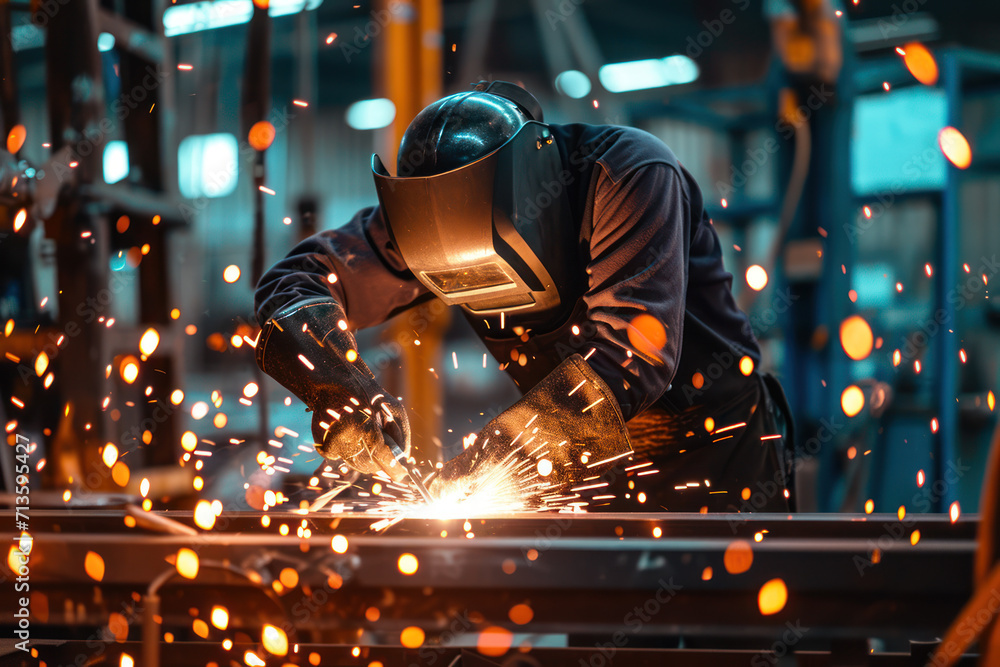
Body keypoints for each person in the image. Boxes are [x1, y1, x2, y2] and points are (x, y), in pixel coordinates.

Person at [254, 81, 794, 512]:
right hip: (585, 469)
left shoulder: (626, 174)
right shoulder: (426, 213)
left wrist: (494, 462)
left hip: (719, 449)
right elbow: (295, 283)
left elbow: (635, 355)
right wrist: (338, 389)